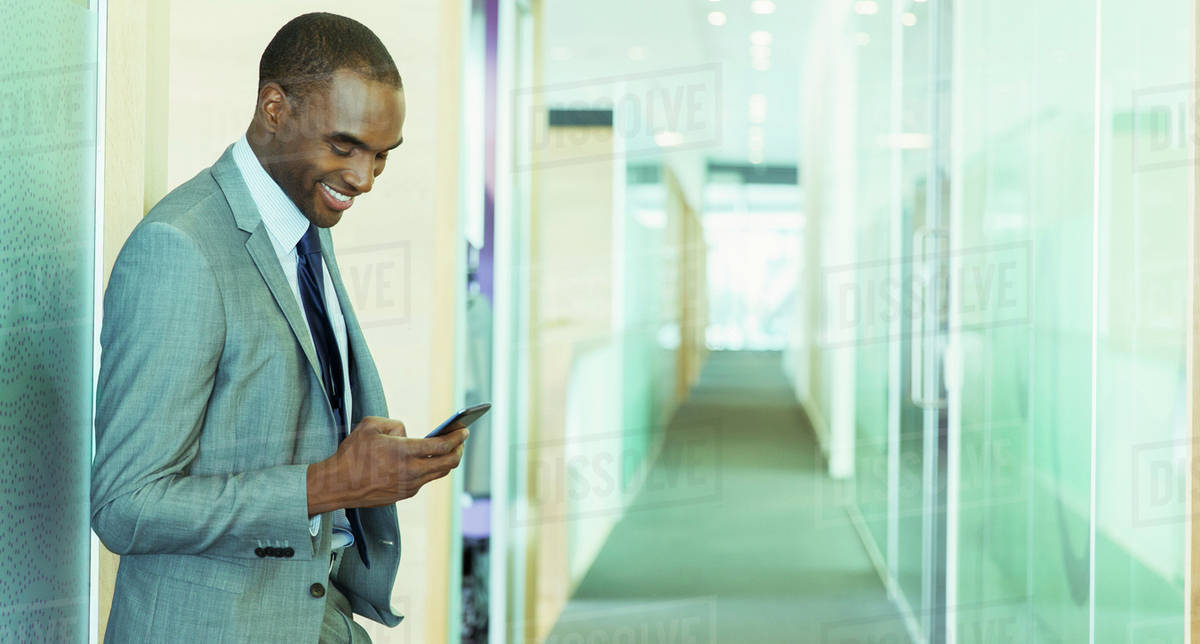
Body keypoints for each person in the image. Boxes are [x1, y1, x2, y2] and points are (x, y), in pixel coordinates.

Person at [90, 13, 468, 642]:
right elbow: (126, 507)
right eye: (344, 146)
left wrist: (358, 445)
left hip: (313, 616)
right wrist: (333, 482)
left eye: (381, 157)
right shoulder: (179, 248)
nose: (363, 178)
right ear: (274, 107)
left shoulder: (302, 224)